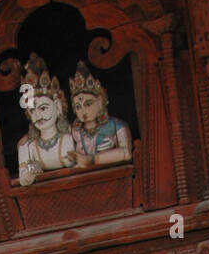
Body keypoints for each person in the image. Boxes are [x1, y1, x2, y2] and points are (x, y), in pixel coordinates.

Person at [17, 54, 76, 186]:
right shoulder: (27, 147)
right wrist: (31, 172)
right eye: (32, 110)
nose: (38, 115)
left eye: (43, 108)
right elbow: (23, 180)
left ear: (57, 106)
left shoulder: (72, 137)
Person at [69, 61, 132, 167]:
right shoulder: (75, 131)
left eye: (88, 104)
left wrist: (92, 159)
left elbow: (127, 153)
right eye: (78, 107)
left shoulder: (117, 125)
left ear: (99, 102)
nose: (83, 111)